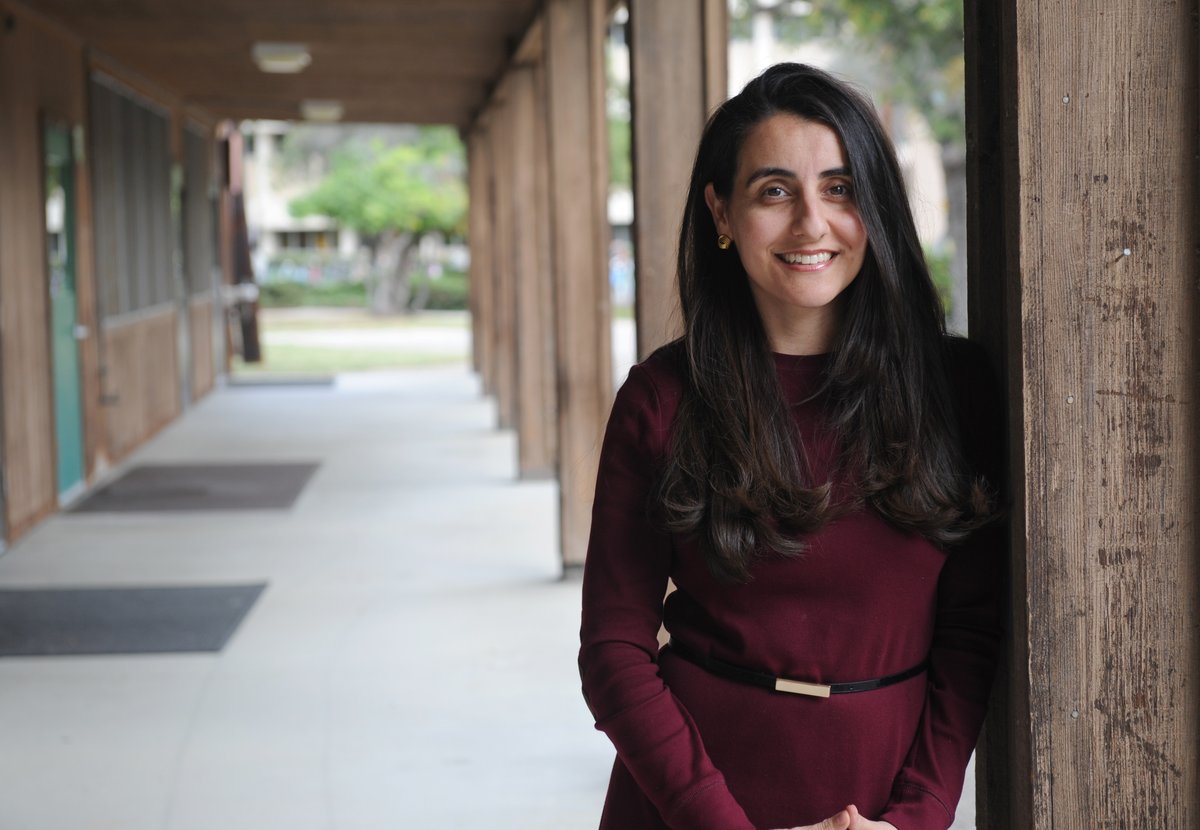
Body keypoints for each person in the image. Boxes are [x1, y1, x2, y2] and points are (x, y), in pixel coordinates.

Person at [578, 63, 1004, 830]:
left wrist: (916, 819)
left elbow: (972, 635)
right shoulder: (662, 399)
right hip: (690, 804)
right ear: (722, 212)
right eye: (775, 191)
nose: (812, 223)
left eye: (840, 189)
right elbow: (614, 652)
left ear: (875, 206)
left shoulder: (956, 389)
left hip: (884, 802)